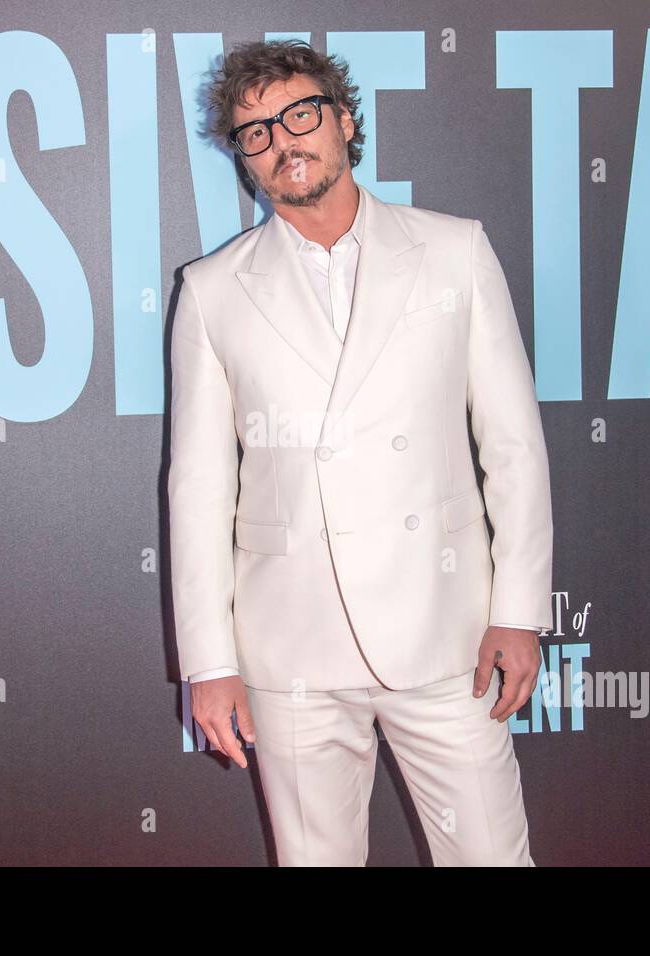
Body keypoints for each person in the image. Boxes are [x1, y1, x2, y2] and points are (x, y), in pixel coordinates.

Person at [168, 39, 553, 866]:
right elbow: (199, 491)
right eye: (256, 131)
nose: (283, 141)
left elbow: (513, 443)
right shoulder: (211, 293)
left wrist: (518, 608)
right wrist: (209, 661)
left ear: (344, 120)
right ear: (244, 159)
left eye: (300, 114)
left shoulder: (454, 251)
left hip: (445, 640)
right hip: (292, 648)